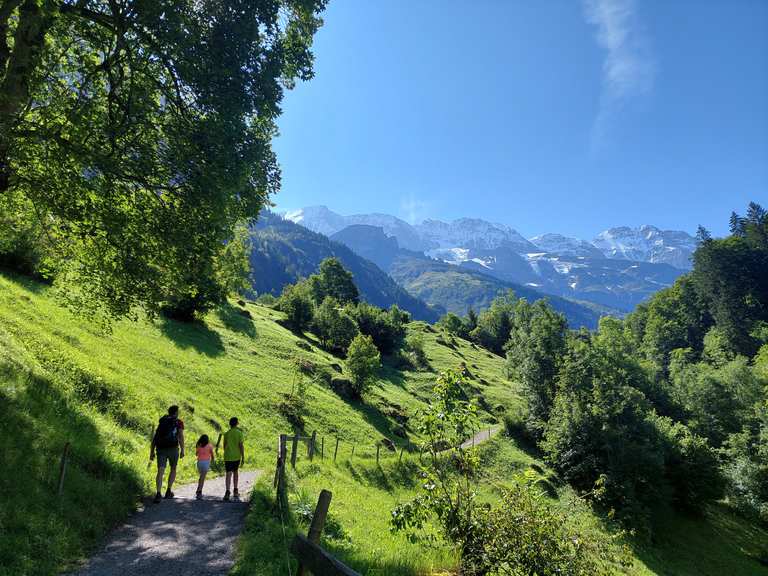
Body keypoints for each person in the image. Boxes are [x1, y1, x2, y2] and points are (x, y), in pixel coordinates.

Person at [149, 405, 185, 504]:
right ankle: (168, 491)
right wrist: (182, 450)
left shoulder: (162, 421)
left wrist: (151, 452)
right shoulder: (178, 422)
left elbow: (156, 437)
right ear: (176, 412)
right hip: (173, 448)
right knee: (173, 468)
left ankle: (158, 493)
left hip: (160, 448)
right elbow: (180, 437)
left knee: (160, 470)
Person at [222, 416, 244, 501]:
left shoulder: (226, 433)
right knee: (235, 472)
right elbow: (241, 446)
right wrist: (243, 457)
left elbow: (224, 446)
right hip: (236, 456)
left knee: (228, 473)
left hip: (227, 456)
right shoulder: (239, 433)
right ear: (237, 423)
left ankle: (227, 492)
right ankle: (235, 490)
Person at [195, 434, 215, 500]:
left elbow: (196, 454)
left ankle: (198, 489)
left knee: (201, 476)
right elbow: (212, 454)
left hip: (199, 462)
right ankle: (199, 491)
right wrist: (213, 460)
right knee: (202, 478)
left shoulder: (198, 445)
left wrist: (200, 450)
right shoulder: (209, 445)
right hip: (206, 462)